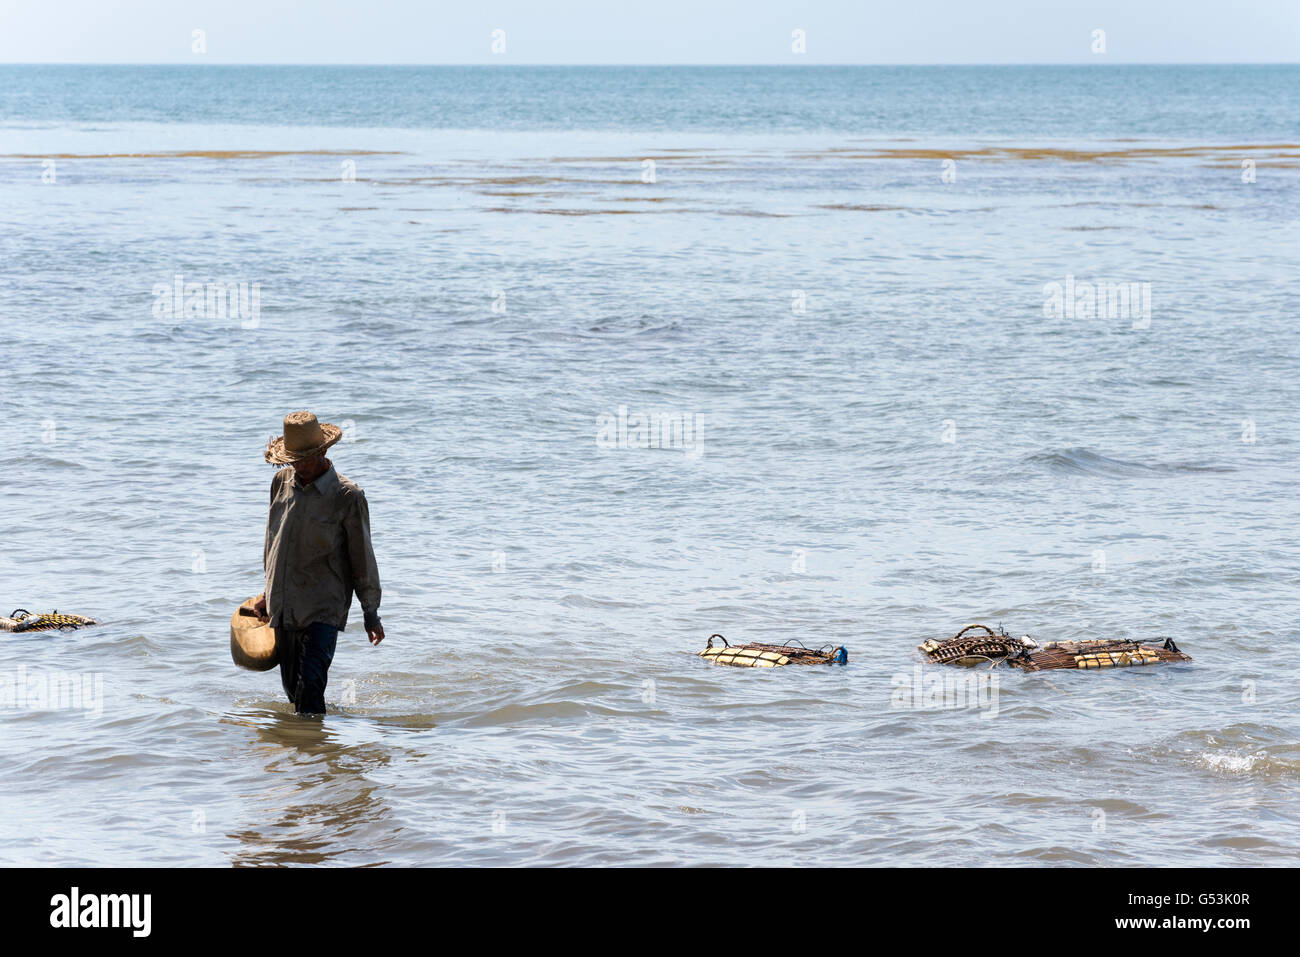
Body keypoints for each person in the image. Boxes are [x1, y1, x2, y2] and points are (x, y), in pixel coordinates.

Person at [252, 411, 384, 714]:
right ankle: (306, 753)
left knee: (310, 686)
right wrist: (267, 594)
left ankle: (317, 752)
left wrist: (370, 613)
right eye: (293, 459)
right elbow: (274, 543)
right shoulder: (281, 482)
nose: (298, 466)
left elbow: (362, 557)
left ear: (323, 451)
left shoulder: (347, 496)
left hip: (324, 605)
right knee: (293, 693)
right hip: (286, 604)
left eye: (305, 458)